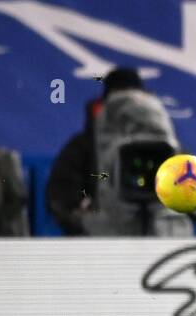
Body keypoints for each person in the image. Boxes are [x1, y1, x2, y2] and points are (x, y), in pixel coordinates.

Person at [46, 67, 180, 235]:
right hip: (159, 239)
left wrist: (84, 220)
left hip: (106, 242)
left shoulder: (82, 145)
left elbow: (61, 198)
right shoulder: (171, 147)